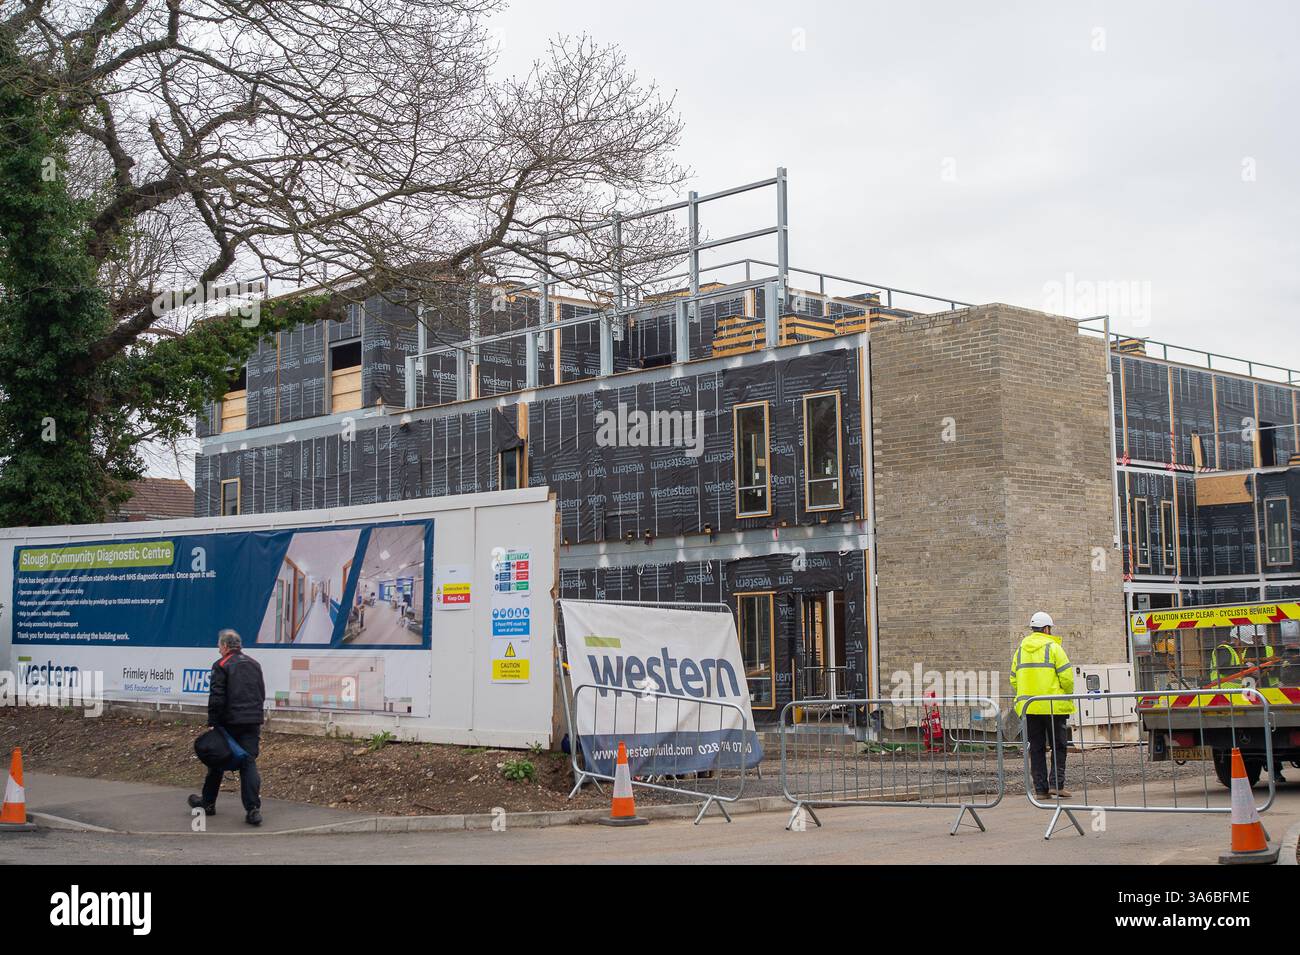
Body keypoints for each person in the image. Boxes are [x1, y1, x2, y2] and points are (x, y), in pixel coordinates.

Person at [189, 629, 266, 825]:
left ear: (224, 646)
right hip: (252, 721)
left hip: (229, 722)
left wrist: (213, 723)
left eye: (218, 646)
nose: (218, 649)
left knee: (216, 761)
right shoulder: (254, 664)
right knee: (248, 762)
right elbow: (261, 693)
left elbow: (217, 697)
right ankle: (253, 810)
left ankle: (207, 803)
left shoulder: (221, 665)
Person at [1010, 611, 1074, 800]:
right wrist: (1066, 694)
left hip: (1030, 707)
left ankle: (1040, 790)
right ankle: (1056, 784)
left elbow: (1013, 679)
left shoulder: (1020, 650)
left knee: (1036, 747)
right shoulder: (1054, 647)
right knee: (1059, 745)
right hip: (1053, 706)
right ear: (1047, 629)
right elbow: (1067, 678)